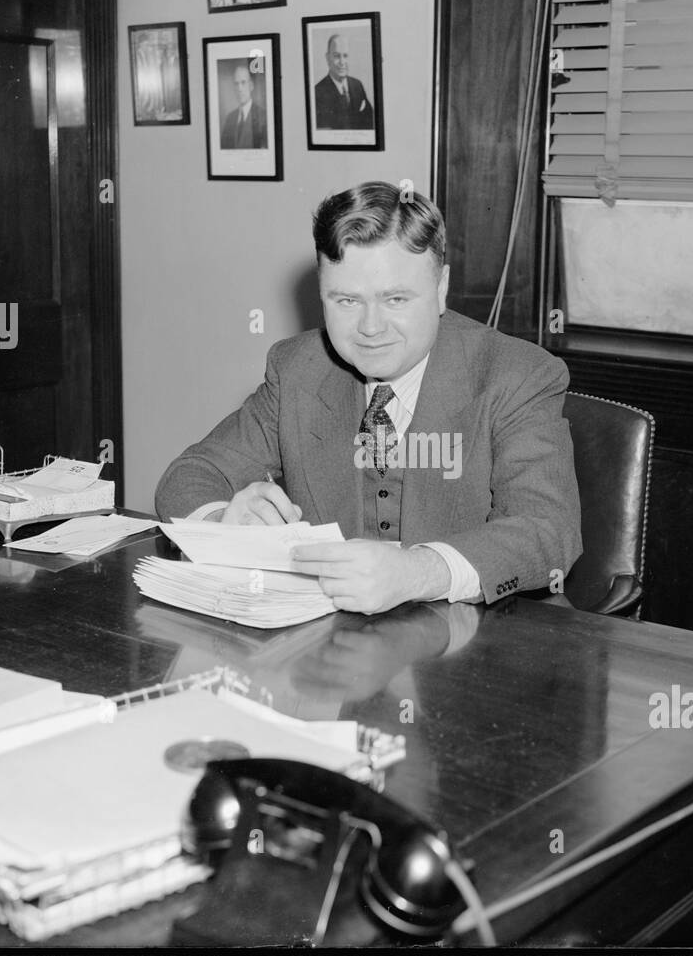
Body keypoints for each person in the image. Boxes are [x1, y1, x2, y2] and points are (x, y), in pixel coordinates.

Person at [154, 181, 581, 615]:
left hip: (471, 644)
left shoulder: (516, 374)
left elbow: (548, 531)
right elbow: (192, 473)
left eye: (395, 298)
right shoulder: (298, 368)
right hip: (332, 652)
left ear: (441, 289)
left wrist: (417, 571)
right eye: (346, 300)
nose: (370, 327)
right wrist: (223, 524)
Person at [313, 35, 374, 130]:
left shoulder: (357, 85)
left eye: (345, 56)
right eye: (336, 56)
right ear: (327, 58)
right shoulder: (317, 92)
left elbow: (370, 123)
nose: (342, 62)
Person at [219, 64, 267, 149]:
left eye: (243, 82)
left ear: (251, 86)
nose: (239, 89)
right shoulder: (230, 118)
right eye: (236, 84)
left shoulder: (263, 116)